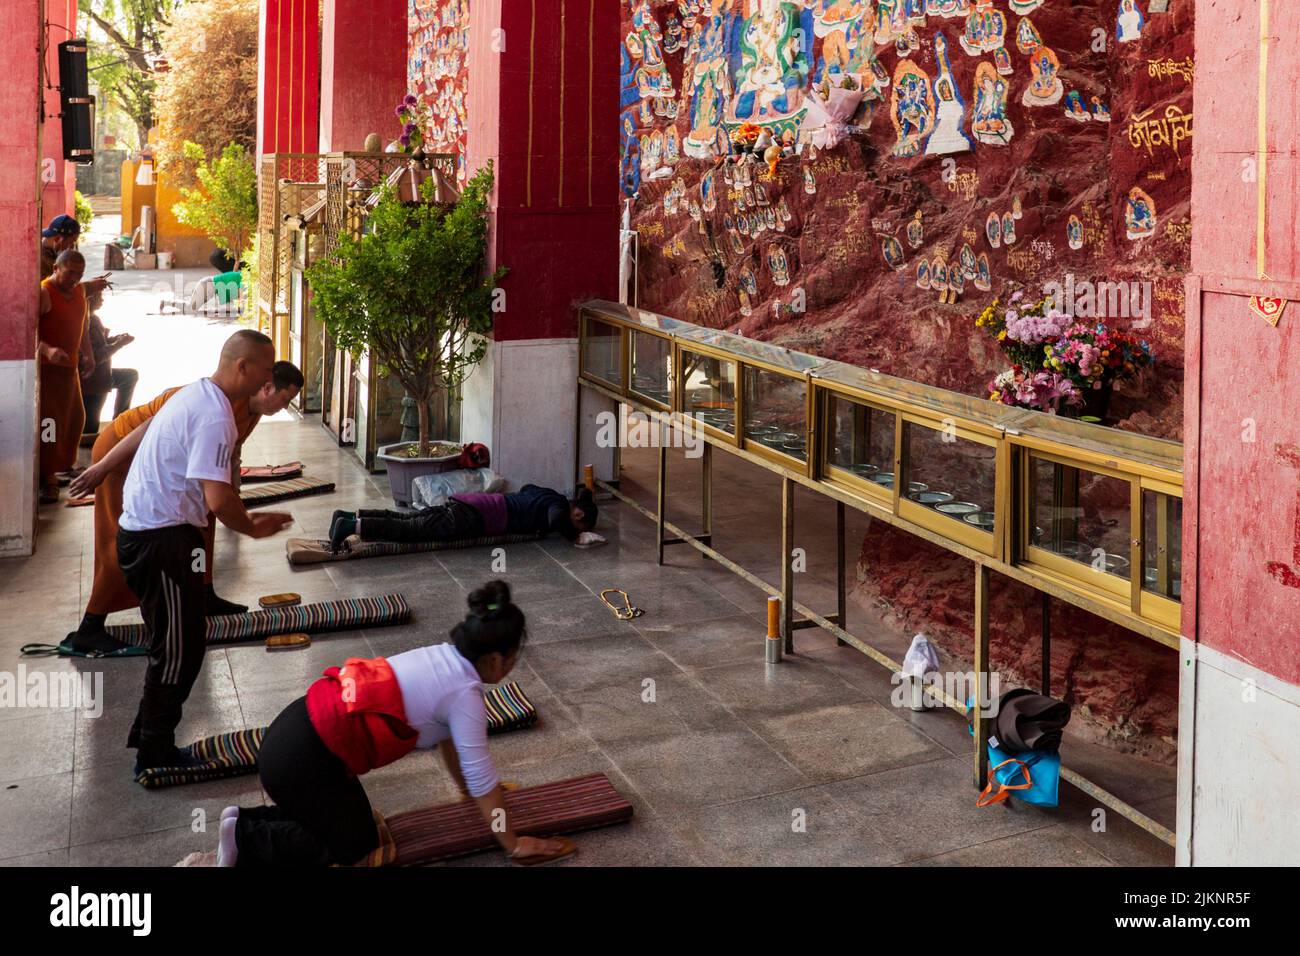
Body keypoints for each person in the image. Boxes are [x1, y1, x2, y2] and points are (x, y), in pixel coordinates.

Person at [216, 581, 575, 867]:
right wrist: (513, 844)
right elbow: (483, 778)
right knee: (357, 846)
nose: (513, 665)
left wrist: (466, 791)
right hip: (303, 760)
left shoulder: (442, 659)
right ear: (496, 658)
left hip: (295, 730)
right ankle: (248, 842)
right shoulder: (465, 696)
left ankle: (241, 821)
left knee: (350, 822)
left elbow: (453, 745)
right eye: (513, 658)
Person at [114, 330, 293, 773]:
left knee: (172, 640)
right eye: (266, 369)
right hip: (162, 541)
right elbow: (218, 499)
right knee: (181, 649)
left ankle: (146, 732)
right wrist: (251, 527)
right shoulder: (216, 415)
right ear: (242, 367)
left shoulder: (197, 393)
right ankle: (154, 752)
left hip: (155, 534)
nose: (268, 379)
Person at [67, 361, 305, 654]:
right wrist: (101, 467)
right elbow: (143, 431)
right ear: (266, 387)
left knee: (205, 521)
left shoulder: (253, 408)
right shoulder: (205, 399)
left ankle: (204, 593)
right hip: (120, 451)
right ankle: (90, 628)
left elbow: (232, 450)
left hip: (163, 456)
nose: (285, 407)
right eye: (285, 399)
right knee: (121, 541)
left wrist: (233, 490)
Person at [326, 485, 599, 553]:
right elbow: (556, 518)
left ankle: (350, 516)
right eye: (579, 523)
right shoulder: (559, 508)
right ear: (578, 513)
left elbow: (527, 488)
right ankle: (352, 527)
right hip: (477, 517)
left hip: (472, 502)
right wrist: (575, 536)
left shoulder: (549, 493)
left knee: (413, 517)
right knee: (415, 529)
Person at [37, 250, 95, 503]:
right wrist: (48, 350)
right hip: (47, 371)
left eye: (79, 274)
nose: (74, 278)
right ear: (56, 268)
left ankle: (62, 466)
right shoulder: (44, 292)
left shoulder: (80, 292)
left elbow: (82, 326)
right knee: (48, 425)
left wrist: (88, 353)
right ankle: (46, 479)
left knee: (74, 420)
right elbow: (28, 332)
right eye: (70, 272)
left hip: (69, 370)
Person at [79, 286, 138, 443]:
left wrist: (116, 339)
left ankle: (120, 422)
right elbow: (96, 357)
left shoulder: (94, 318)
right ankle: (116, 430)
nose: (102, 300)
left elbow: (101, 344)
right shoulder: (83, 322)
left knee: (130, 376)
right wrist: (120, 344)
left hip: (102, 375)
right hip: (91, 380)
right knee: (88, 433)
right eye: (99, 296)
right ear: (89, 299)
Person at [40, 214, 111, 294]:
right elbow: (54, 291)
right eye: (71, 242)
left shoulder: (52, 254)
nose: (72, 247)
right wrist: (88, 287)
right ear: (58, 239)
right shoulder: (39, 260)